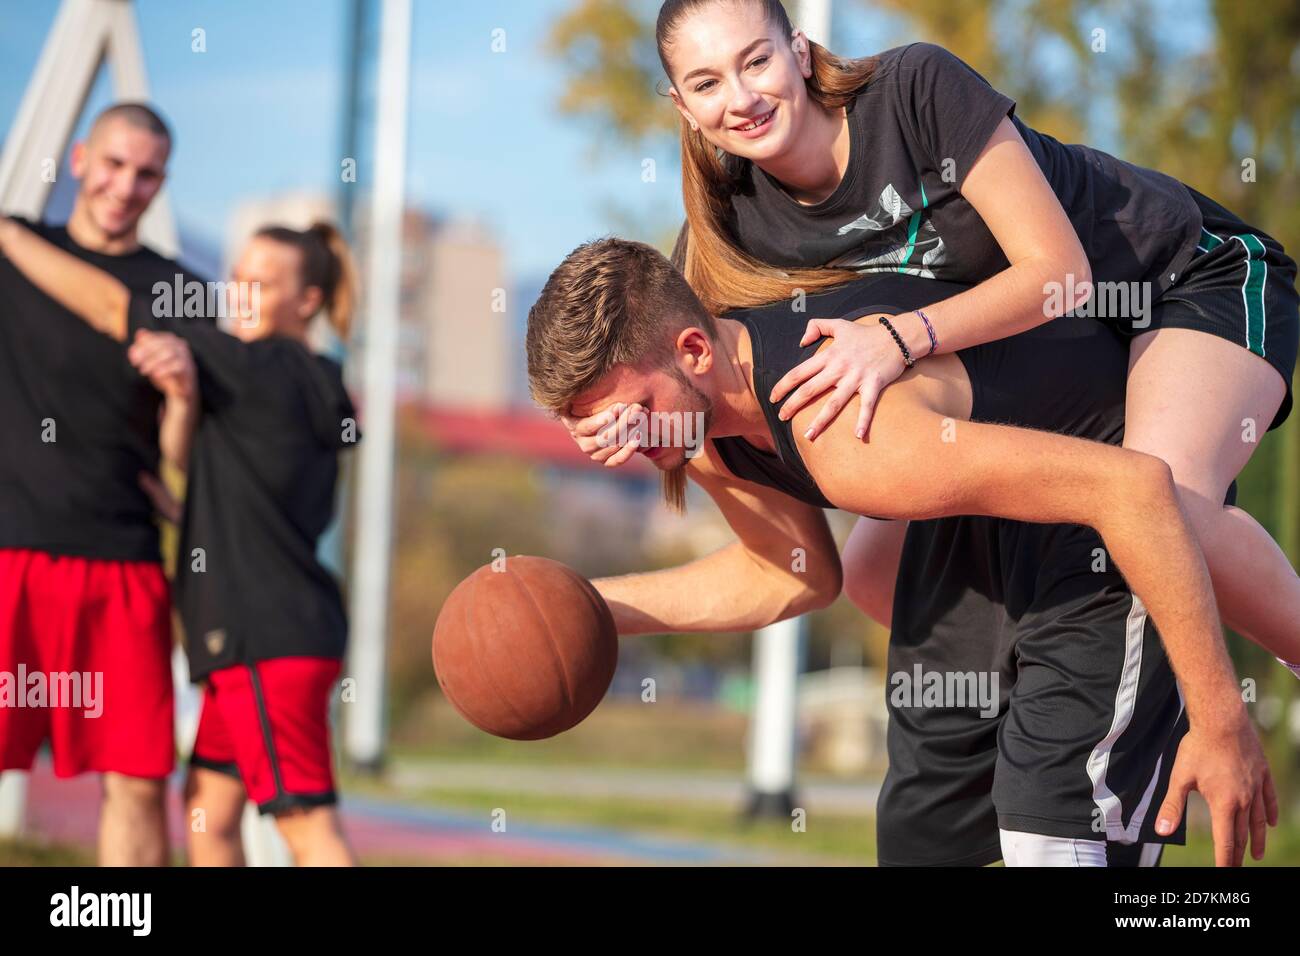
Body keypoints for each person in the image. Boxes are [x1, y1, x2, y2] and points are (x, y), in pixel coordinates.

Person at [569, 0, 1300, 666]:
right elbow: (676, 376)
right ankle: (1044, 748)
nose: (742, 98)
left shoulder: (914, 88)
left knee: (1169, 502)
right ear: (682, 106)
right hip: (1049, 355)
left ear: (798, 49)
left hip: (1179, 280)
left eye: (755, 61)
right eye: (706, 84)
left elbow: (1061, 275)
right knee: (873, 575)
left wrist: (900, 337)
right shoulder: (727, 233)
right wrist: (622, 427)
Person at [527, 236, 1276, 867]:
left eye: (633, 418)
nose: (625, 448)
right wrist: (585, 611)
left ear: (693, 350)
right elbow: (791, 573)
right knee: (921, 839)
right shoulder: (704, 435)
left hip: (1100, 505)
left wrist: (1222, 722)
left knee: (1048, 829)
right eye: (602, 433)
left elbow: (1135, 490)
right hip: (975, 516)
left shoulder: (849, 430)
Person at [0, 217, 361, 867]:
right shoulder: (322, 382)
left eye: (261, 283)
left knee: (308, 829)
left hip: (262, 638)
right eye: (237, 278)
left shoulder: (250, 367)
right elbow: (258, 499)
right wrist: (185, 506)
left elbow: (115, 306)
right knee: (207, 812)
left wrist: (9, 234)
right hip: (285, 633)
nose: (238, 294)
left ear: (306, 302)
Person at [0, 103, 205, 866]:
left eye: (147, 173)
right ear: (81, 158)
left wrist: (183, 394)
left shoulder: (180, 292)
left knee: (139, 780)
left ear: (162, 183)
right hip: (7, 552)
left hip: (120, 562)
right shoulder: (12, 257)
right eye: (115, 164)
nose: (126, 186)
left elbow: (180, 459)